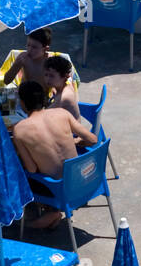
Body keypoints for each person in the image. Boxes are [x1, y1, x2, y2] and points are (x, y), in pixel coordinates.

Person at [12, 81, 96, 229]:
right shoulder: (62, 113)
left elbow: (31, 169)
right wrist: (74, 142)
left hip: (58, 191)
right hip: (86, 179)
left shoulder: (19, 130)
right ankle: (52, 211)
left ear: (23, 103)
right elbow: (92, 139)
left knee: (21, 176)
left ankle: (52, 211)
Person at [44, 54, 80, 120]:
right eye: (46, 75)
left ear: (64, 76)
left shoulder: (63, 97)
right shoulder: (66, 84)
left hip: (70, 129)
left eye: (52, 76)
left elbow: (42, 116)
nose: (47, 79)